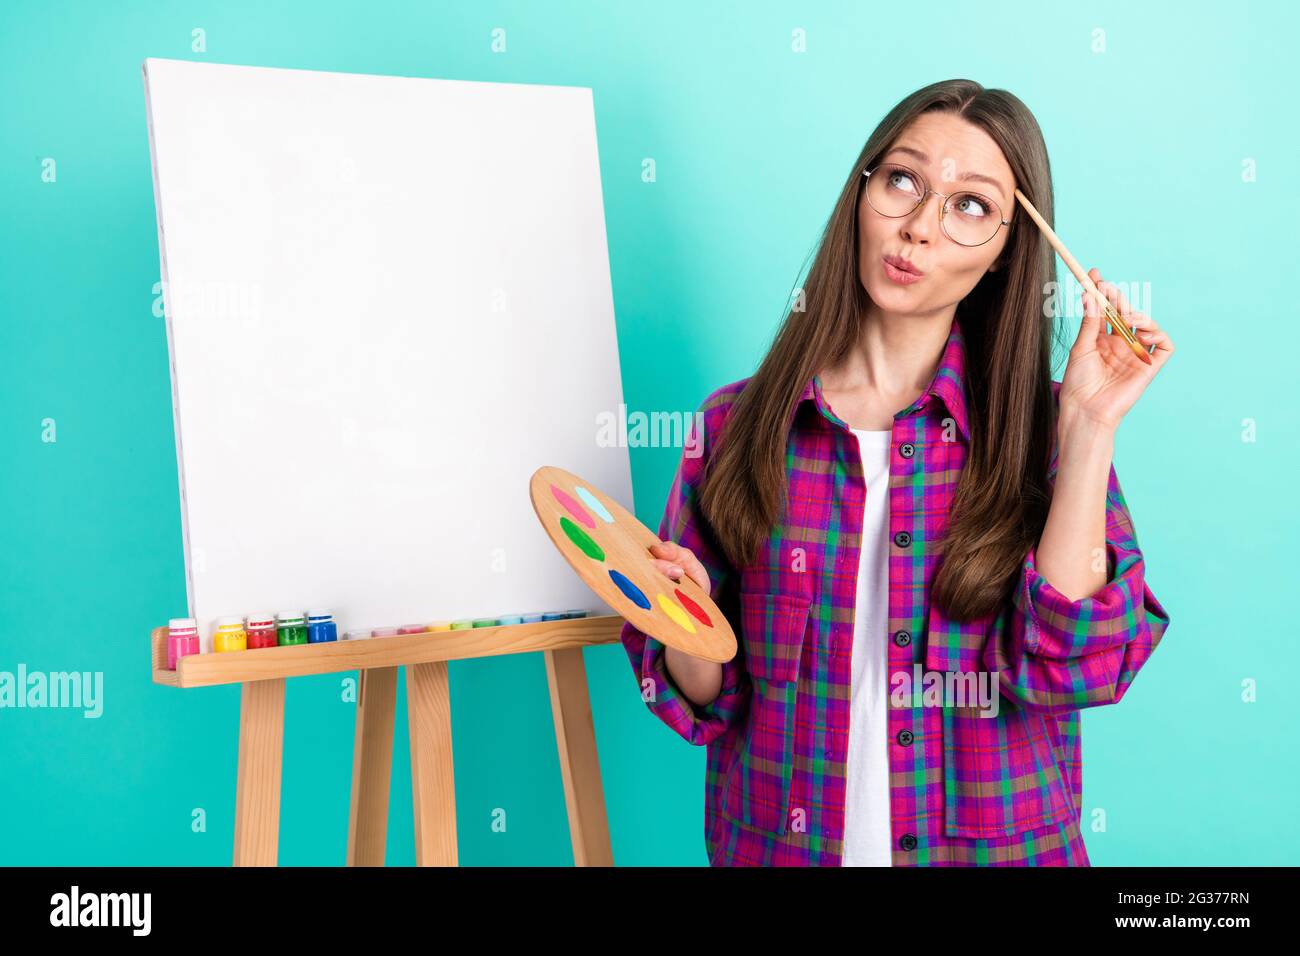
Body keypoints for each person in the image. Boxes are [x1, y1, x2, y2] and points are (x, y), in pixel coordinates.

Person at [618, 78, 1174, 866]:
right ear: (862, 191)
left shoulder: (1044, 431)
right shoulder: (731, 428)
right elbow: (703, 703)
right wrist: (688, 627)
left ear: (1004, 254)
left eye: (970, 205)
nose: (918, 228)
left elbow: (1077, 667)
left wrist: (1087, 429)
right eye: (903, 181)